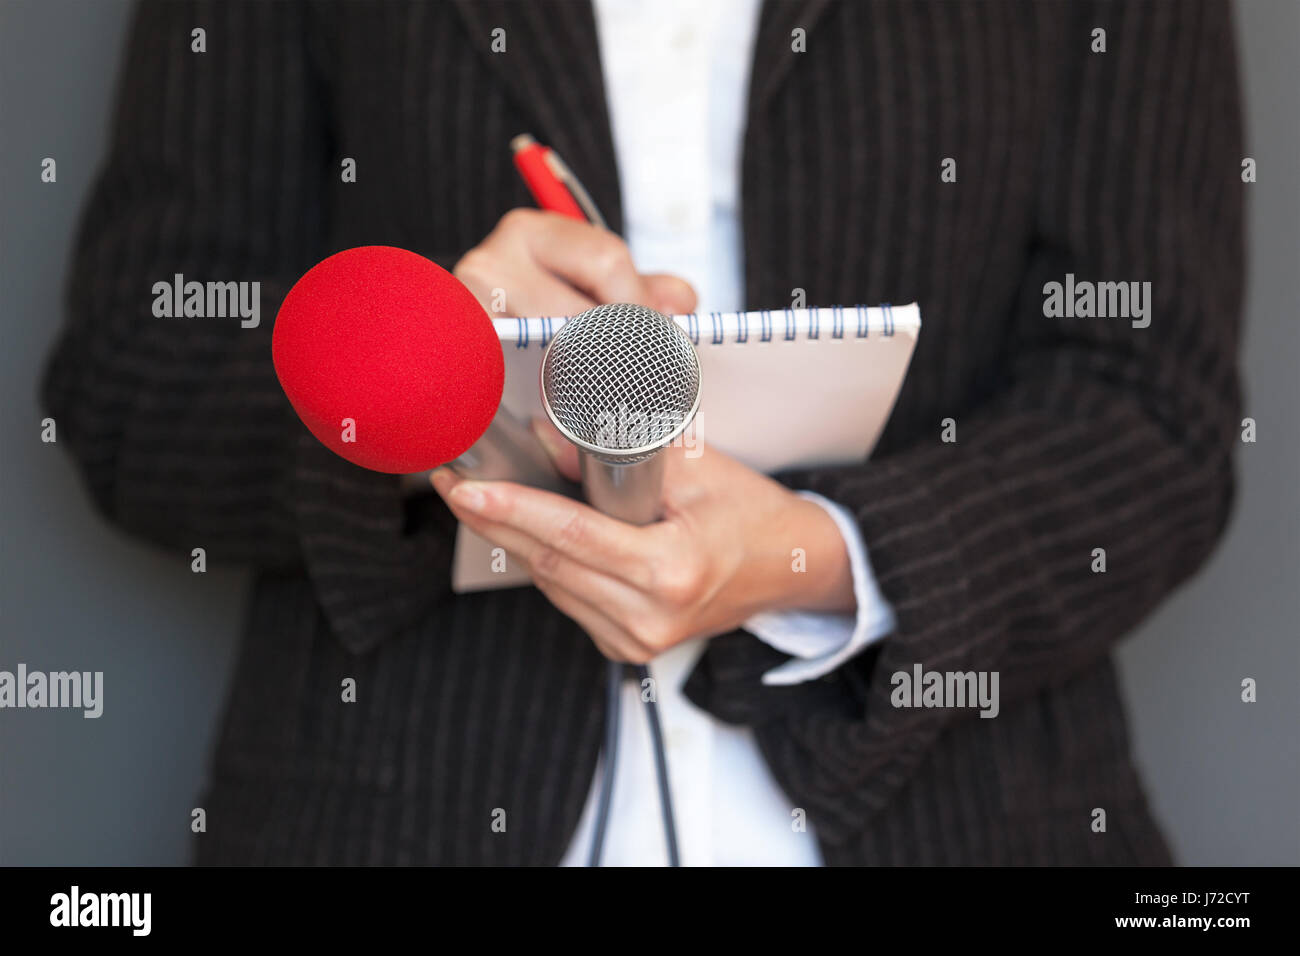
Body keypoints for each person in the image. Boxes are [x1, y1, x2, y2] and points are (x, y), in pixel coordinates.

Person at [42, 0, 1243, 865]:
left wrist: (811, 558)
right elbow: (134, 379)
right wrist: (432, 381)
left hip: (965, 806)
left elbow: (1152, 401)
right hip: (392, 797)